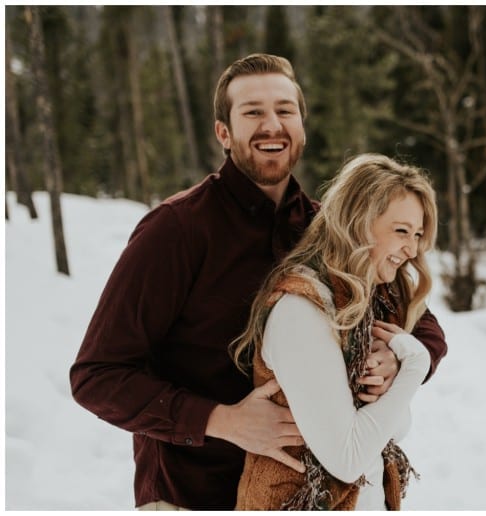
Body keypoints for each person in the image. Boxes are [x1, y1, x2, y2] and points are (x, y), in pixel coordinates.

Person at [69, 53, 447, 510]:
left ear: (302, 126)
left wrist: (397, 353)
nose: (273, 125)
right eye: (253, 112)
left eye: (285, 110)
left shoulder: (325, 229)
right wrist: (220, 420)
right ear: (223, 133)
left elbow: (420, 318)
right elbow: (98, 375)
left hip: (296, 500)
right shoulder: (176, 230)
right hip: (192, 495)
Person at [232, 153, 437, 510]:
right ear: (358, 222)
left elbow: (390, 424)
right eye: (401, 230)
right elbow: (348, 458)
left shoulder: (363, 304)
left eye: (418, 234)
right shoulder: (302, 308)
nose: (412, 248)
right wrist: (414, 362)